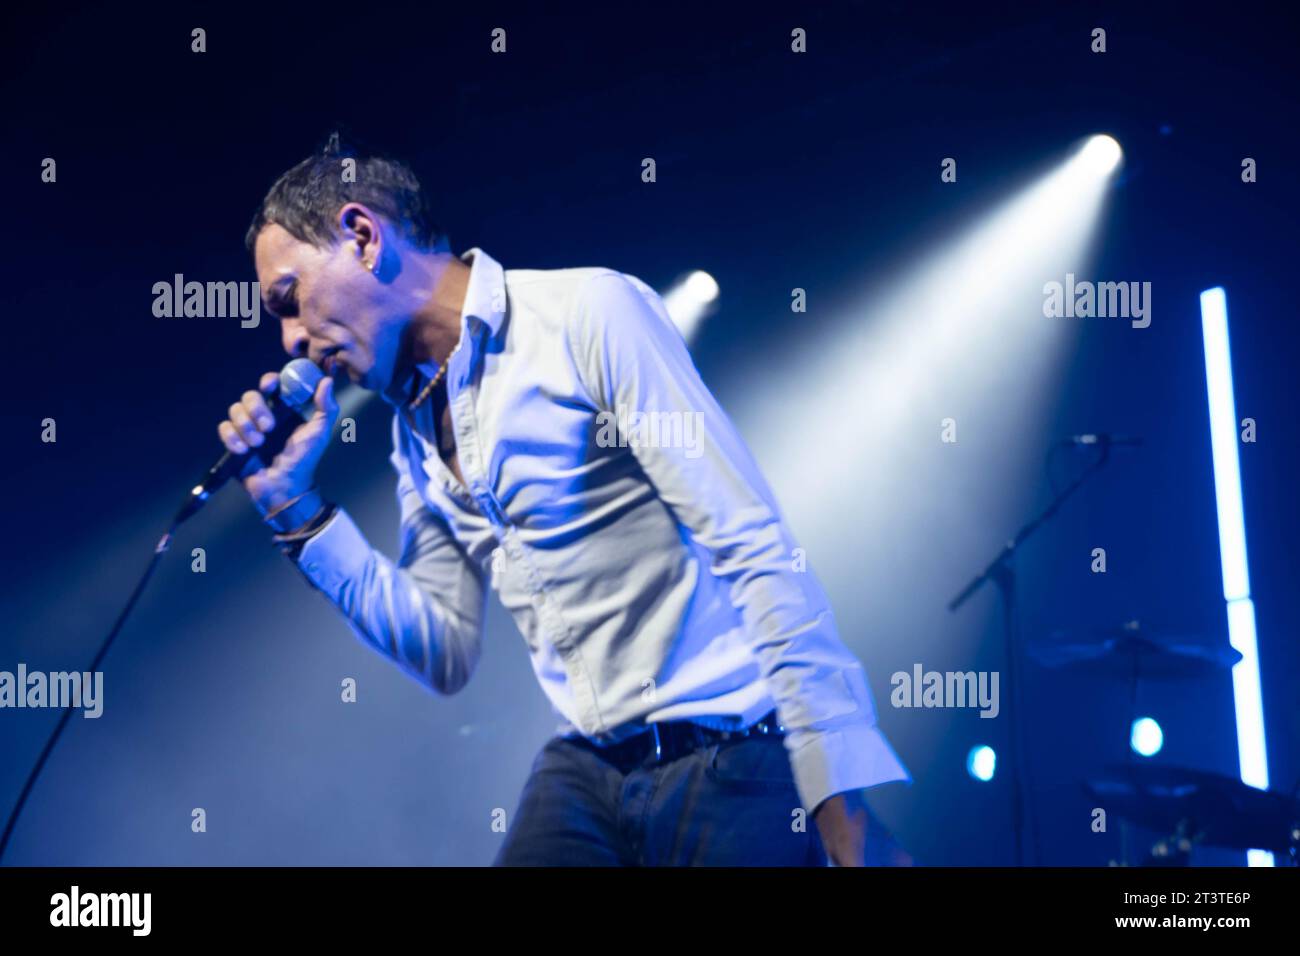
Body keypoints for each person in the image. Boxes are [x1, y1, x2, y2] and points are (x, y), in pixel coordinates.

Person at [220, 134, 910, 866]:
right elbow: (444, 651)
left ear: (362, 235)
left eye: (289, 301)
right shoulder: (411, 429)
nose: (290, 339)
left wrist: (841, 797)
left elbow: (753, 542)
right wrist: (296, 514)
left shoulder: (587, 314)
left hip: (730, 746)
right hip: (587, 769)